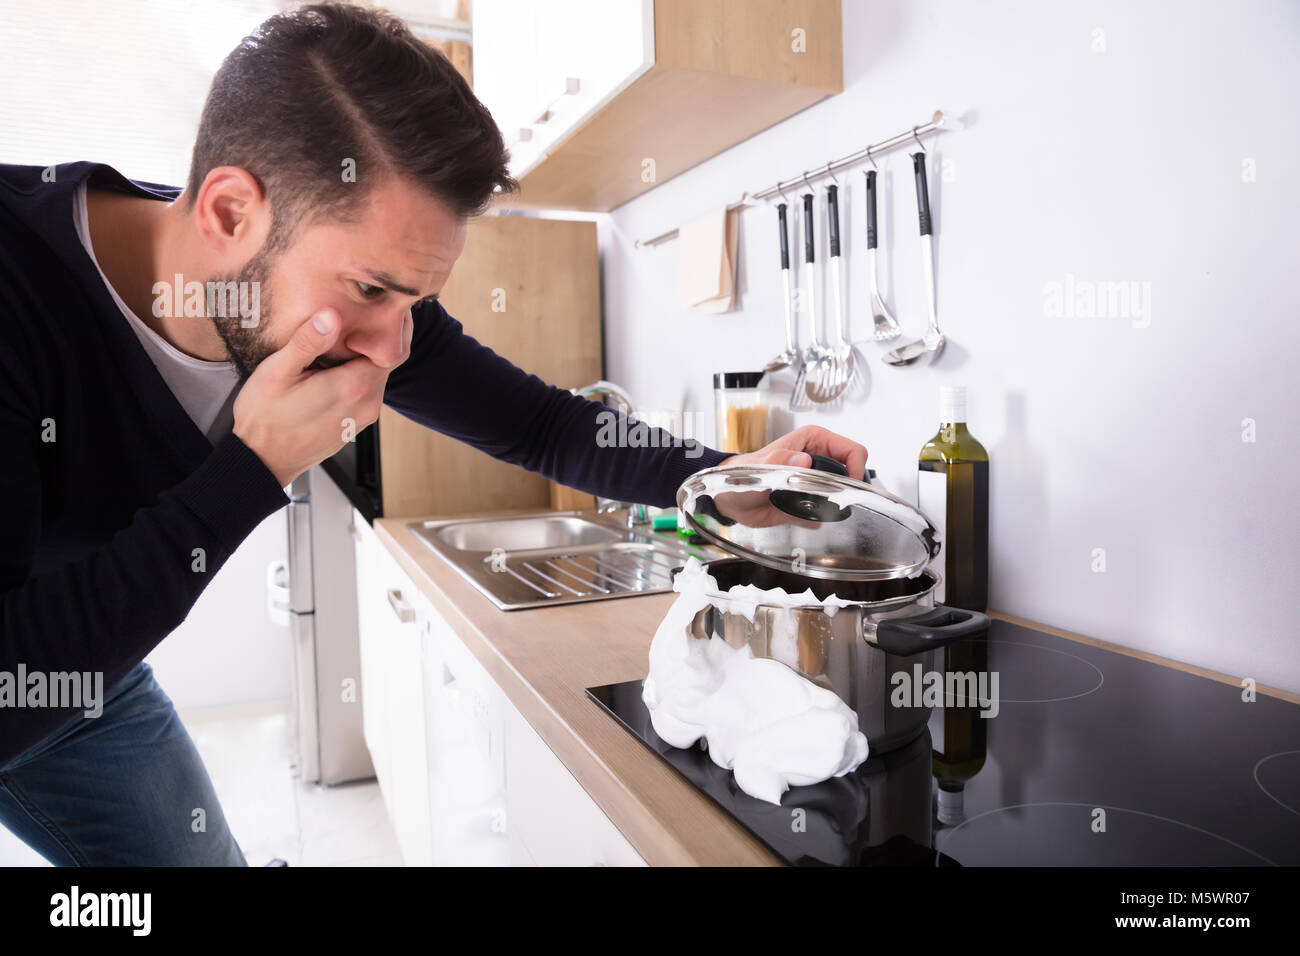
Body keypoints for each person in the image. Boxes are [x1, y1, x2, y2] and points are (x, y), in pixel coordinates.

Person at [0, 2, 867, 865]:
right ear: (230, 214)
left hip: (94, 676)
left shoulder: (349, 299)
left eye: (415, 303)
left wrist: (725, 481)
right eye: (374, 290)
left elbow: (542, 426)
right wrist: (252, 471)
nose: (391, 350)